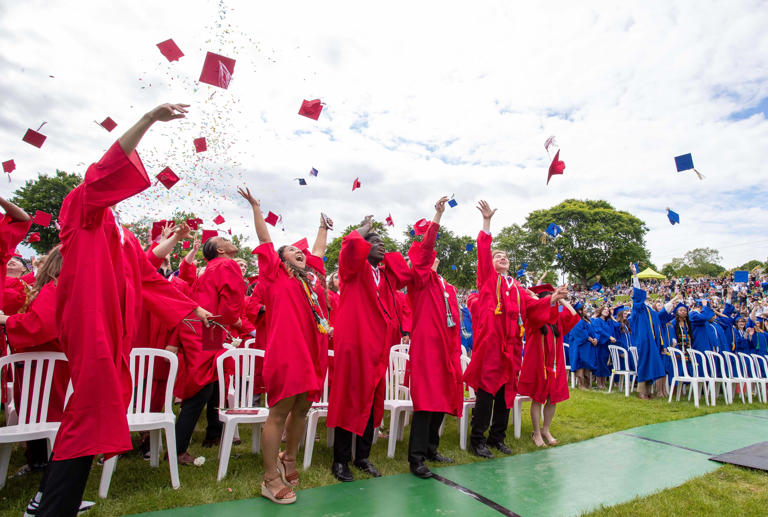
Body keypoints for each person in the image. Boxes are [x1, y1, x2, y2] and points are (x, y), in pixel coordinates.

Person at [29, 104, 211, 517]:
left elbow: (146, 275)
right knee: (87, 411)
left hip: (112, 329)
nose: (117, 182)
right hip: (89, 320)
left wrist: (192, 308)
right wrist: (148, 120)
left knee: (90, 412)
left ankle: (55, 501)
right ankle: (50, 506)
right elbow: (103, 169)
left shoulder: (118, 229)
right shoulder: (82, 209)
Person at [240, 187, 328, 503]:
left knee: (303, 407)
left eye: (299, 250)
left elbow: (316, 253)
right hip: (288, 351)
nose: (298, 252)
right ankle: (269, 479)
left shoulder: (312, 280)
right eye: (291, 250)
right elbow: (265, 242)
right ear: (280, 259)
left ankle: (288, 458)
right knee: (279, 411)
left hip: (314, 350)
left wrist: (323, 229)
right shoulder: (274, 275)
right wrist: (256, 208)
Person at [462, 201, 558, 458]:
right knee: (486, 394)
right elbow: (483, 252)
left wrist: (552, 299)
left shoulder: (515, 286)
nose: (502, 258)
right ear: (491, 263)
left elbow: (533, 308)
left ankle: (497, 438)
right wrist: (486, 222)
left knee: (506, 394)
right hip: (491, 347)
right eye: (498, 256)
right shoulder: (487, 280)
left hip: (512, 348)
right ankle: (477, 440)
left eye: (505, 256)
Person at [326, 215, 410, 482]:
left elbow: (405, 274)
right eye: (375, 242)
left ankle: (362, 456)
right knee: (348, 397)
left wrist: (384, 250)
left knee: (372, 398)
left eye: (384, 242)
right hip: (354, 343)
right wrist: (364, 230)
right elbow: (349, 246)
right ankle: (340, 460)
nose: (382, 245)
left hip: (377, 346)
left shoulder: (384, 277)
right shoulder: (353, 270)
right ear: (363, 247)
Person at [174, 231, 245, 463]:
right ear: (220, 249)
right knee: (201, 386)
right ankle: (176, 450)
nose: (228, 238)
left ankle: (212, 435)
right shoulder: (227, 265)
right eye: (224, 239)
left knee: (212, 381)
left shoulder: (212, 268)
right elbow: (232, 305)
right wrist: (234, 321)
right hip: (207, 327)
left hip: (201, 326)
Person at [405, 197, 464, 478]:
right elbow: (426, 248)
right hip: (427, 346)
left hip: (447, 347)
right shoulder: (419, 279)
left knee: (441, 397)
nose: (432, 254)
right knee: (426, 400)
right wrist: (437, 217)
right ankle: (416, 458)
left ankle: (431, 448)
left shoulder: (446, 286)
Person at [1, 247, 69, 476]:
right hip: (41, 364)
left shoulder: (54, 290)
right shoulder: (58, 289)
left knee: (45, 413)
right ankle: (38, 460)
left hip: (47, 366)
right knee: (36, 412)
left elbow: (41, 326)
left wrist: (7, 320)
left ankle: (46, 462)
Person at [518, 284, 579, 447]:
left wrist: (563, 299)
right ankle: (536, 433)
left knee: (553, 399)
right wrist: (539, 299)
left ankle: (546, 429)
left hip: (555, 365)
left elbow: (574, 315)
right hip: (539, 366)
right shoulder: (534, 319)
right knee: (538, 399)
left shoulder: (557, 322)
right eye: (550, 298)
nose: (554, 303)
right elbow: (538, 309)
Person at [628, 263, 666, 399]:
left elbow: (663, 318)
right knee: (645, 364)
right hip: (643, 341)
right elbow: (637, 294)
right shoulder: (639, 308)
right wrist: (635, 275)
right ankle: (641, 391)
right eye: (644, 292)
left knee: (652, 365)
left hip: (653, 342)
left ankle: (649, 391)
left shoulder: (651, 310)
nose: (646, 293)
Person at [568, 303, 597, 390]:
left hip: (587, 346)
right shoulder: (576, 319)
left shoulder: (586, 320)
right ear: (579, 311)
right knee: (580, 363)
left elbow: (593, 331)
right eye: (584, 308)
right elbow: (578, 331)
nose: (586, 310)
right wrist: (589, 338)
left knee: (586, 364)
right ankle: (581, 385)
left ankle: (587, 384)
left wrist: (596, 338)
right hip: (579, 346)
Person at [591, 306, 616, 389]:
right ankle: (599, 383)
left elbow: (617, 325)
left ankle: (603, 383)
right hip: (600, 344)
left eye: (608, 310)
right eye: (604, 309)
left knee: (605, 363)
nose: (606, 311)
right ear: (601, 311)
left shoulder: (608, 322)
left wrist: (611, 316)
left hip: (606, 345)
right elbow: (600, 331)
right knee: (600, 363)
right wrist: (610, 337)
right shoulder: (597, 320)